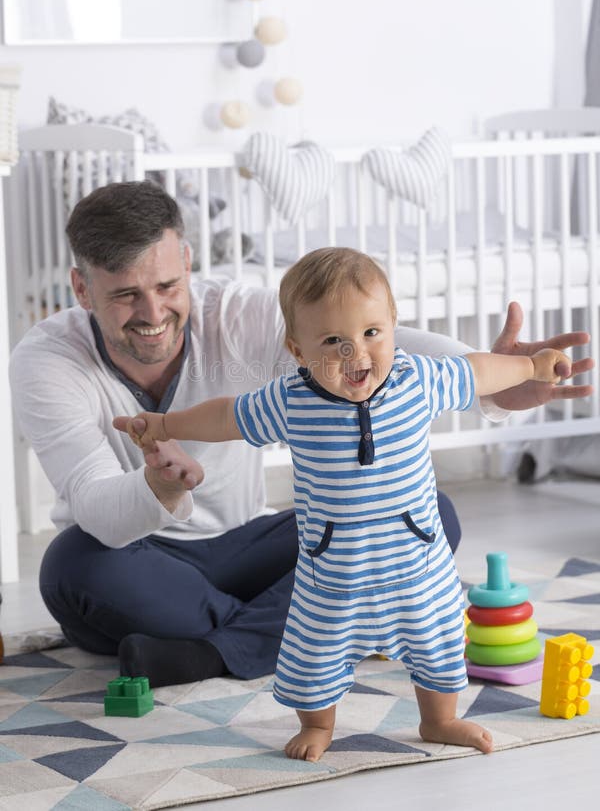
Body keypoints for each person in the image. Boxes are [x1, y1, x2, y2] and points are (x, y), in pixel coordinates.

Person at [9, 181, 593, 694]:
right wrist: (157, 489)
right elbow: (98, 509)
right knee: (70, 568)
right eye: (125, 295)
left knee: (427, 511)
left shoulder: (237, 313)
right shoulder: (46, 360)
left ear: (187, 261)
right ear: (82, 290)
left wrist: (493, 378)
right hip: (138, 557)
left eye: (166, 285)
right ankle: (331, 626)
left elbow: (380, 345)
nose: (153, 311)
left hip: (245, 543)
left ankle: (211, 653)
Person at [114, 246, 572, 762]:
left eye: (371, 333)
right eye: (333, 341)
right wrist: (165, 425)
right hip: (333, 570)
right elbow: (226, 418)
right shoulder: (290, 400)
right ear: (298, 348)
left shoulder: (417, 378)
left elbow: (478, 372)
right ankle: (320, 726)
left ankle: (440, 719)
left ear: (393, 324)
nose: (355, 353)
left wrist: (531, 365)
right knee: (315, 652)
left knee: (439, 641)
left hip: (416, 561)